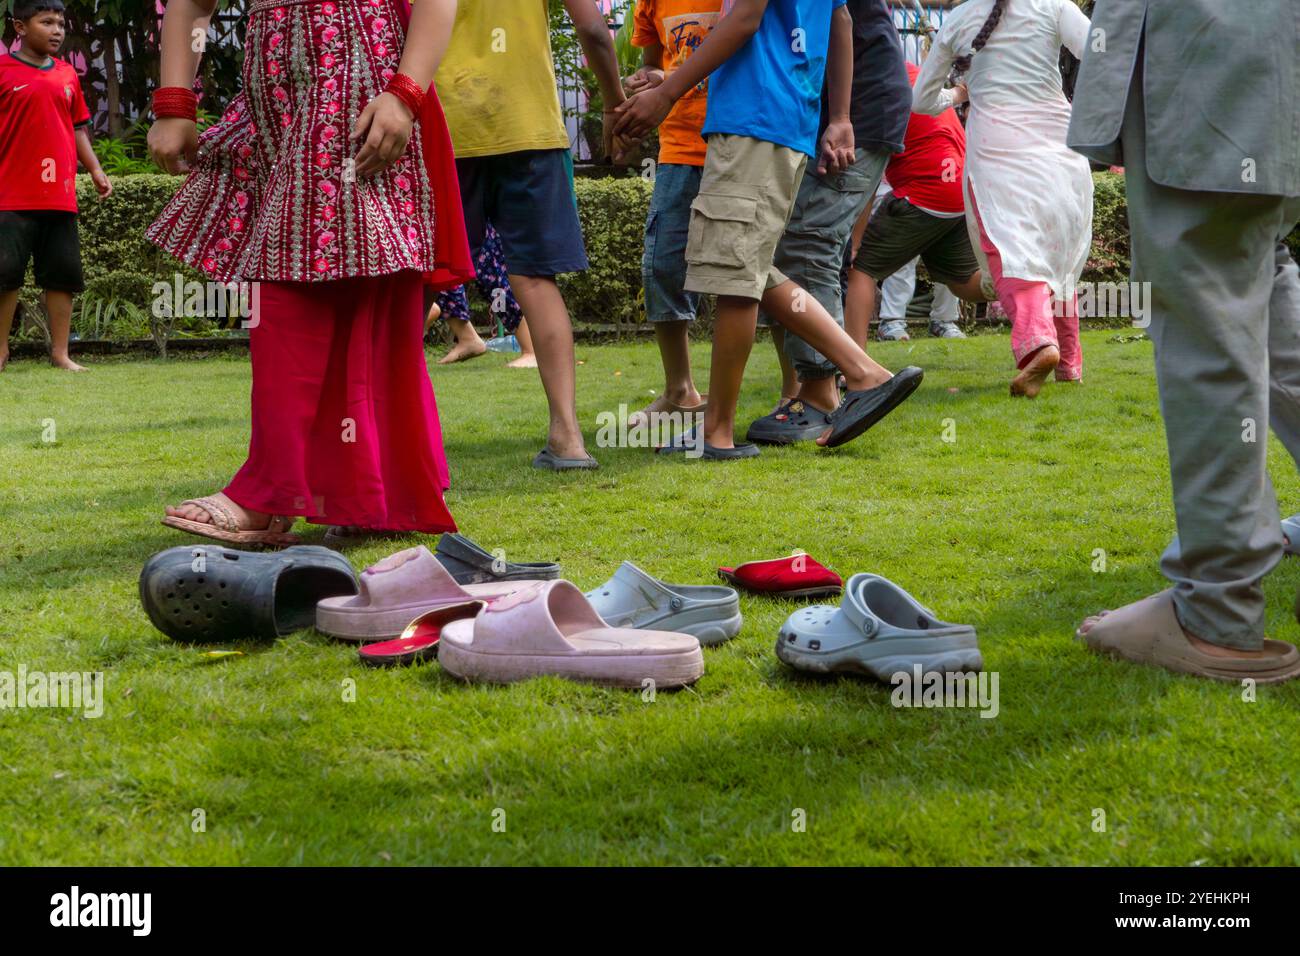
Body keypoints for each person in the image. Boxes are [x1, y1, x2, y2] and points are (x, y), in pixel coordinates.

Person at [149, 0, 472, 546]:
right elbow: (194, 4)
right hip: (272, 100)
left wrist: (404, 92)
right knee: (323, 277)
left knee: (294, 286)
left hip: (359, 80)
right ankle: (373, 493)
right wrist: (174, 101)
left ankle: (270, 493)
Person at [1070, 0, 1300, 682]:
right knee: (1264, 276)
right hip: (1265, 58)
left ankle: (1219, 615)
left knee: (1204, 294)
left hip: (1212, 56)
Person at [617, 0, 923, 459]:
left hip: (753, 117)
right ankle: (862, 372)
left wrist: (667, 93)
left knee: (736, 274)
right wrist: (838, 117)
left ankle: (717, 431)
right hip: (783, 117)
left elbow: (744, 18)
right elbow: (839, 17)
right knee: (751, 265)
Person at [435, 0, 627, 471]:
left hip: (447, 125)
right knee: (537, 279)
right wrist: (615, 106)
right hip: (530, 126)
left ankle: (383, 437)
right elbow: (595, 31)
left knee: (424, 273)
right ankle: (568, 437)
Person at [743, 0, 914, 446]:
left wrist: (840, 118)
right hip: (843, 109)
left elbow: (839, 17)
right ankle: (816, 388)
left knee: (808, 242)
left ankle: (825, 392)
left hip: (859, 111)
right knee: (798, 245)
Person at [912, 0, 1093, 398]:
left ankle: (1037, 344)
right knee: (1055, 254)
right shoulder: (1054, 6)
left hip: (997, 153)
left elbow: (921, 101)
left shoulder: (959, 20)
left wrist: (959, 93)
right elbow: (1103, 53)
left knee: (1010, 253)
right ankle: (1069, 362)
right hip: (1061, 148)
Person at [618, 0, 722, 429]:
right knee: (662, 264)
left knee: (761, 269)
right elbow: (658, 64)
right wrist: (651, 80)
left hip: (737, 136)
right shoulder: (650, 2)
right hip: (678, 148)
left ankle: (796, 389)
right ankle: (680, 391)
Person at [844, 61, 987, 354]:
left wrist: (855, 242)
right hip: (957, 193)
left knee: (861, 270)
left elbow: (869, 177)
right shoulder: (919, 77)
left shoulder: (881, 87)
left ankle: (852, 365)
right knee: (963, 283)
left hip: (923, 192)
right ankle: (1023, 285)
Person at [0, 0, 111, 374]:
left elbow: (78, 128)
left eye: (60, 23)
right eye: (46, 22)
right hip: (9, 195)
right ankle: (0, 351)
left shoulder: (67, 75)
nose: (57, 30)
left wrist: (95, 170)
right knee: (4, 275)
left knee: (62, 275)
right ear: (19, 27)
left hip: (59, 196)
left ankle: (61, 353)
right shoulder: (1, 71)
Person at [430, 222, 536, 369]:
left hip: (470, 212)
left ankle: (531, 349)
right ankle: (467, 337)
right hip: (447, 211)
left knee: (491, 276)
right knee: (444, 271)